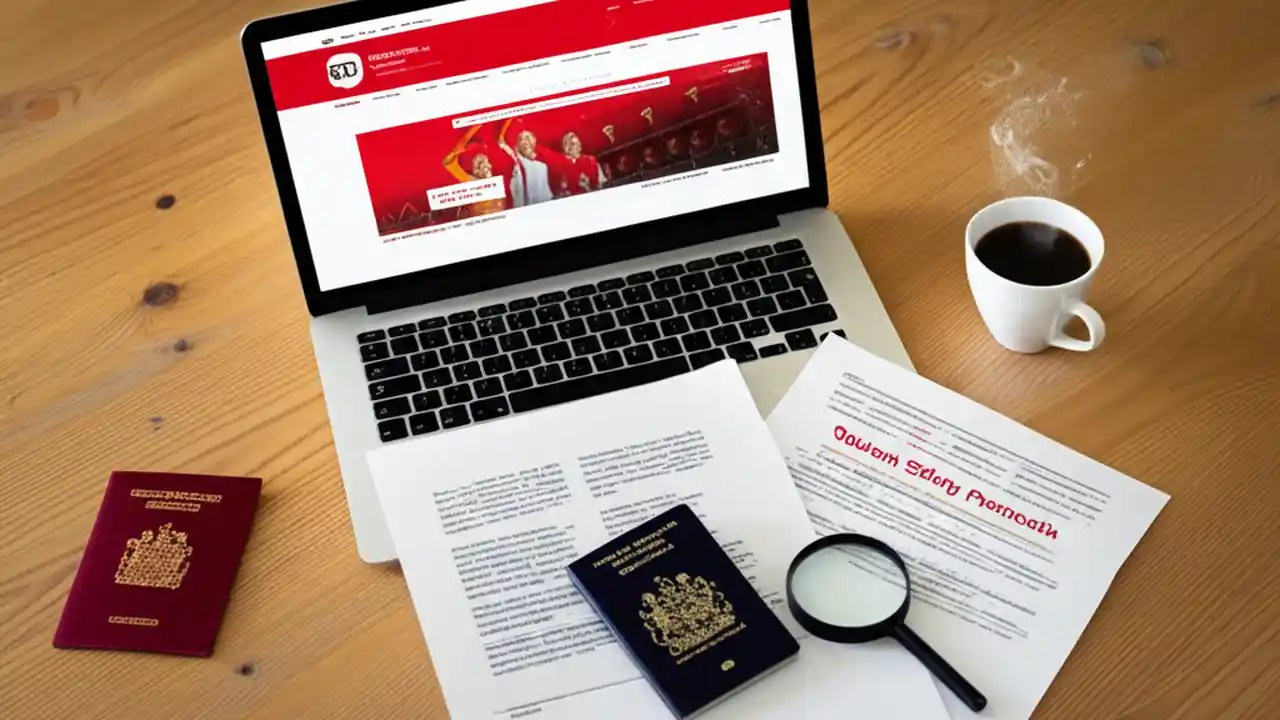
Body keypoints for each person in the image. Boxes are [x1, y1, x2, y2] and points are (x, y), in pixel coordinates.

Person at [442, 126, 508, 218]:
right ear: (475, 171)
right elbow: (448, 163)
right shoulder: (472, 182)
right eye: (480, 164)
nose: (485, 166)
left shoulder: (499, 181)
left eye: (487, 162)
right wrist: (458, 150)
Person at [497, 119, 555, 207]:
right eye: (520, 139)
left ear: (534, 140)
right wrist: (504, 146)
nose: (524, 142)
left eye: (527, 138)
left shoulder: (542, 167)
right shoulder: (515, 164)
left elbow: (546, 197)